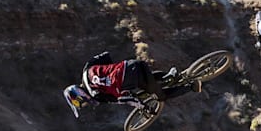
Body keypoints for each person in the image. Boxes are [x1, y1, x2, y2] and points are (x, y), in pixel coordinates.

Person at [63, 51, 194, 118]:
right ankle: (170, 75)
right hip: (131, 64)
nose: (87, 105)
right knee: (147, 81)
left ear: (79, 95)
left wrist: (143, 107)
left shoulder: (97, 95)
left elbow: (124, 99)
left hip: (130, 80)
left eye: (83, 103)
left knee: (161, 96)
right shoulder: (87, 69)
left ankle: (192, 86)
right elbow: (106, 56)